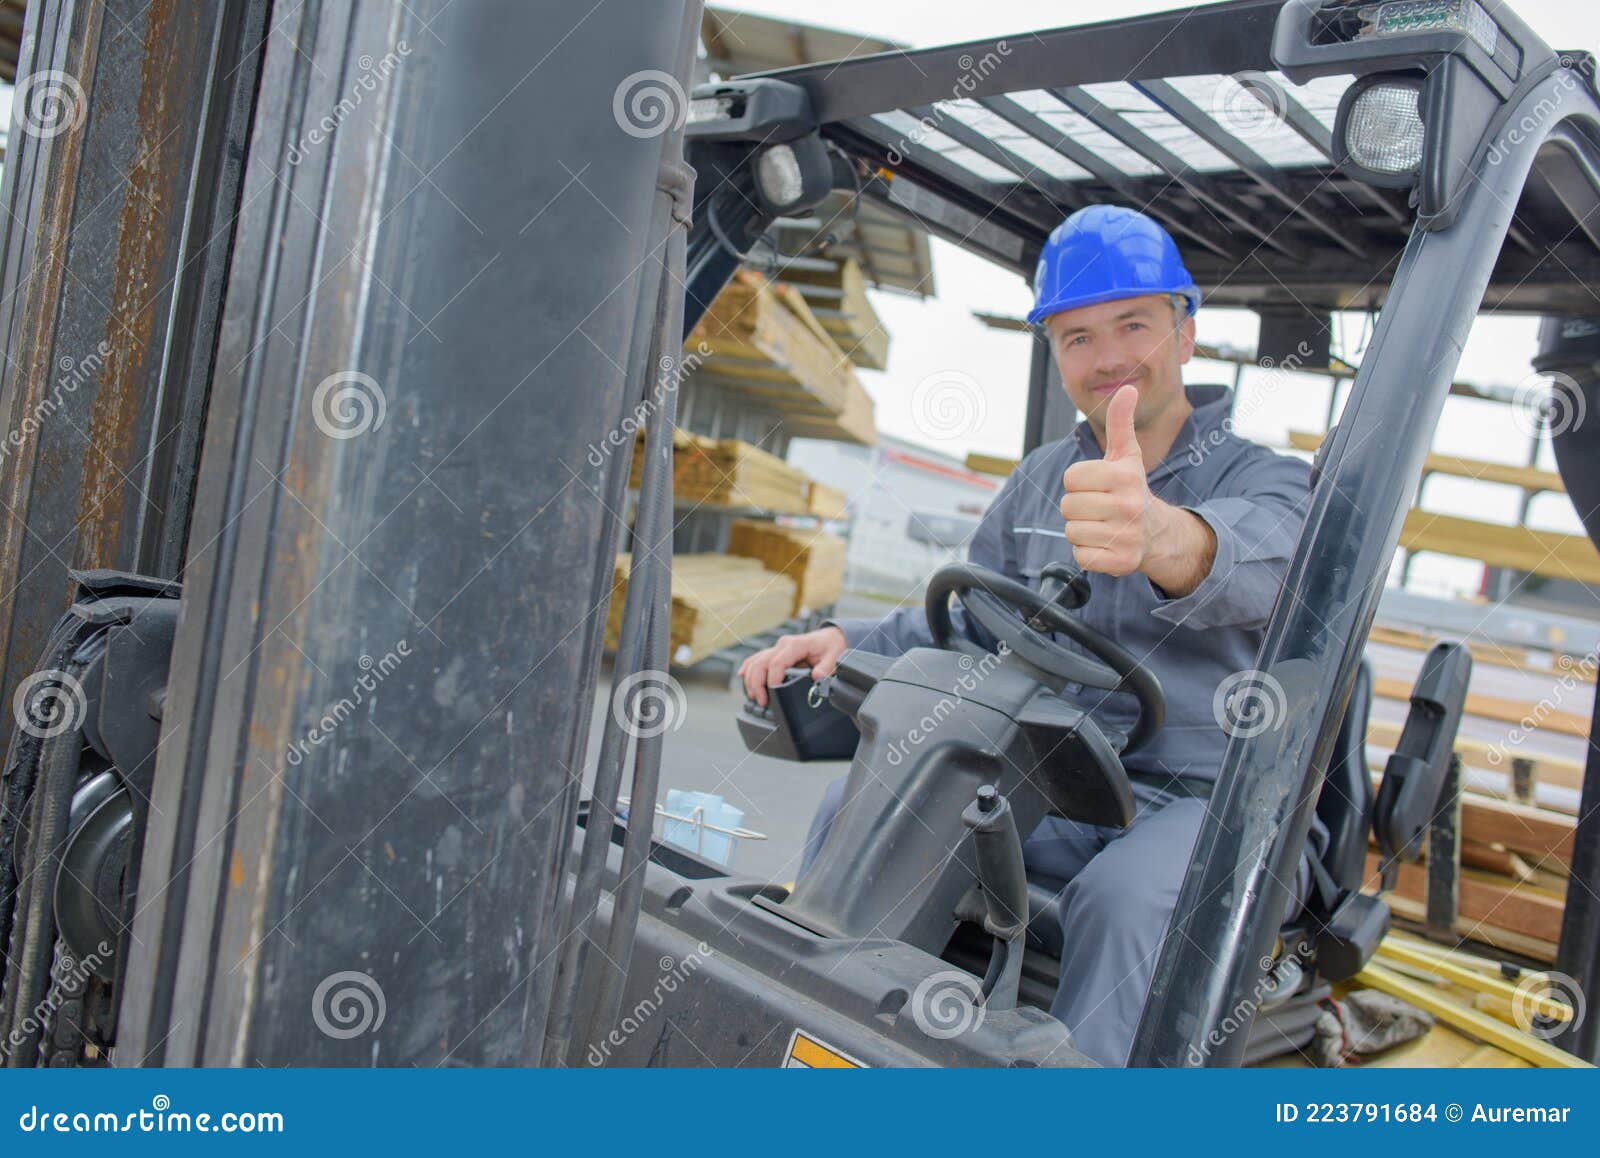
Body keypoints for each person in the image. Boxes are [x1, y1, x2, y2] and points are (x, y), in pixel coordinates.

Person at [738, 204, 1324, 1066]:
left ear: (1186, 333)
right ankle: (830, 1053)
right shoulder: (1043, 479)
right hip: (1057, 777)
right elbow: (976, 621)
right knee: (870, 807)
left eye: (1134, 324)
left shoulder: (1270, 480)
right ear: (1056, 353)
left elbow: (1260, 567)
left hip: (1214, 800)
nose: (1109, 354)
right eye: (1078, 336)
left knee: (1127, 899)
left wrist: (1160, 533)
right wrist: (846, 639)